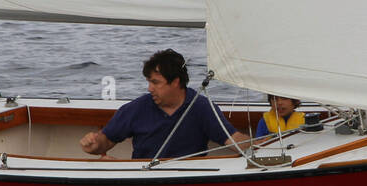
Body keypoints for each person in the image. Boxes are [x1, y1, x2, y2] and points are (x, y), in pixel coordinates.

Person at [80, 49, 248, 160]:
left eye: (155, 82)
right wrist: (93, 144)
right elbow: (106, 141)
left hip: (188, 180)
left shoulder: (200, 107)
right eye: (149, 82)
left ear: (175, 82)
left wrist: (267, 145)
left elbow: (234, 141)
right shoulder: (137, 108)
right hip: (143, 181)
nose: (149, 88)